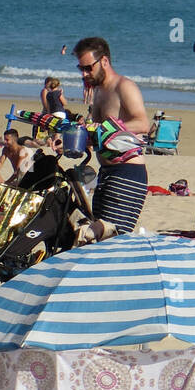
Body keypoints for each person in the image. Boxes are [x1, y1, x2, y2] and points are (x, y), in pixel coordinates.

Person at [75, 36, 150, 241]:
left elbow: (143, 124)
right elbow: (100, 134)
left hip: (127, 174)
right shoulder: (99, 91)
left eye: (88, 68)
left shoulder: (124, 87)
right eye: (81, 68)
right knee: (99, 243)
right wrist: (80, 137)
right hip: (106, 173)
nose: (84, 74)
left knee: (112, 238)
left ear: (104, 61)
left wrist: (103, 128)